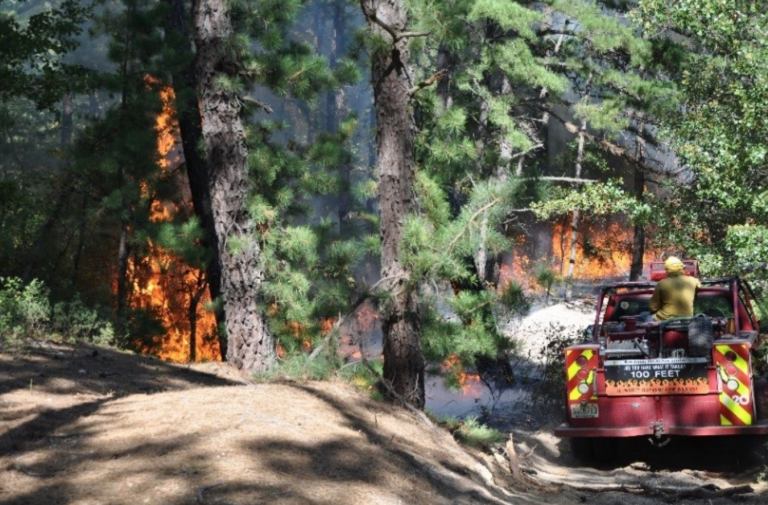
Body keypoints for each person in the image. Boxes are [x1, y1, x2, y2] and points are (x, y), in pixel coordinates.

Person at [649, 256, 701, 321]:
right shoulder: (693, 281)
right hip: (687, 320)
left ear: (667, 270)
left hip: (664, 320)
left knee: (643, 316)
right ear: (681, 268)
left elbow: (653, 307)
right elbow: (701, 291)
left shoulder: (661, 284)